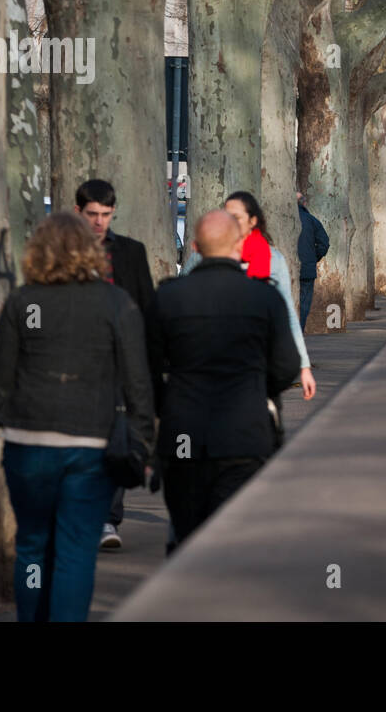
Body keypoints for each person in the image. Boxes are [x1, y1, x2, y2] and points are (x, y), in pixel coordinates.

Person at [0, 212, 154, 622]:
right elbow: (138, 382)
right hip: (90, 447)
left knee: (33, 547)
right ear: (91, 252)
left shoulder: (22, 302)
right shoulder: (116, 303)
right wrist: (143, 444)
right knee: (75, 551)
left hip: (28, 444)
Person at [146, 210, 301, 547]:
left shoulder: (168, 297)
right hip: (243, 434)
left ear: (197, 247)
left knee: (187, 531)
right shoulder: (264, 297)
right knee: (233, 539)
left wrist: (166, 403)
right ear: (239, 245)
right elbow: (287, 365)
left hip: (183, 435)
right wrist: (258, 389)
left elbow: (147, 367)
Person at [74, 178, 156, 551]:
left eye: (106, 214)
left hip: (120, 361)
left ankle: (108, 518)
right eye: (92, 214)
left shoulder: (130, 252)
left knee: (116, 437)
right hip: (73, 362)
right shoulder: (61, 252)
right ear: (79, 212)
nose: (99, 222)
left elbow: (146, 308)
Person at [221, 191, 315, 401]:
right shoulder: (205, 255)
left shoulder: (272, 259)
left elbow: (288, 312)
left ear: (253, 221)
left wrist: (303, 366)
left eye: (236, 218)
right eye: (225, 217)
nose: (229, 223)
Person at [296, 191, 330, 327]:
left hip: (285, 268)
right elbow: (324, 243)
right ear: (304, 203)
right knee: (304, 302)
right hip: (306, 268)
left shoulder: (279, 218)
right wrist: (313, 257)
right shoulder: (311, 219)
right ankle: (299, 331)